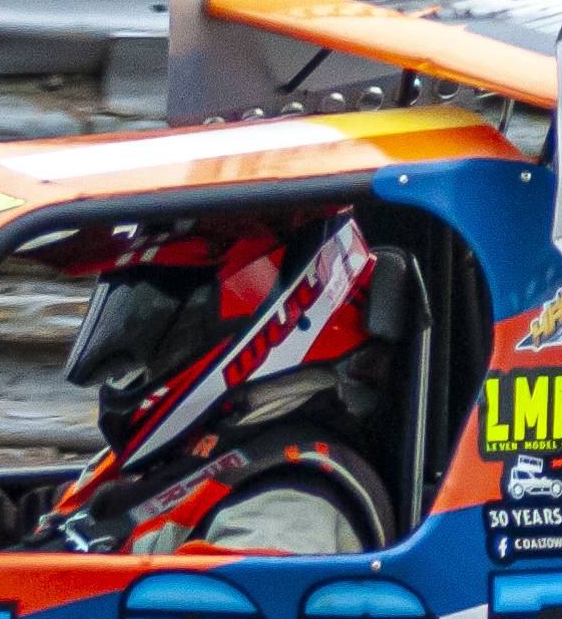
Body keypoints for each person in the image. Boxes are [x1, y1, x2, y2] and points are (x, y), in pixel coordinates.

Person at [40, 215, 402, 557]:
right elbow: (61, 525)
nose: (148, 360)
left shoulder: (290, 503)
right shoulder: (188, 447)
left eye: (163, 333)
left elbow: (187, 614)